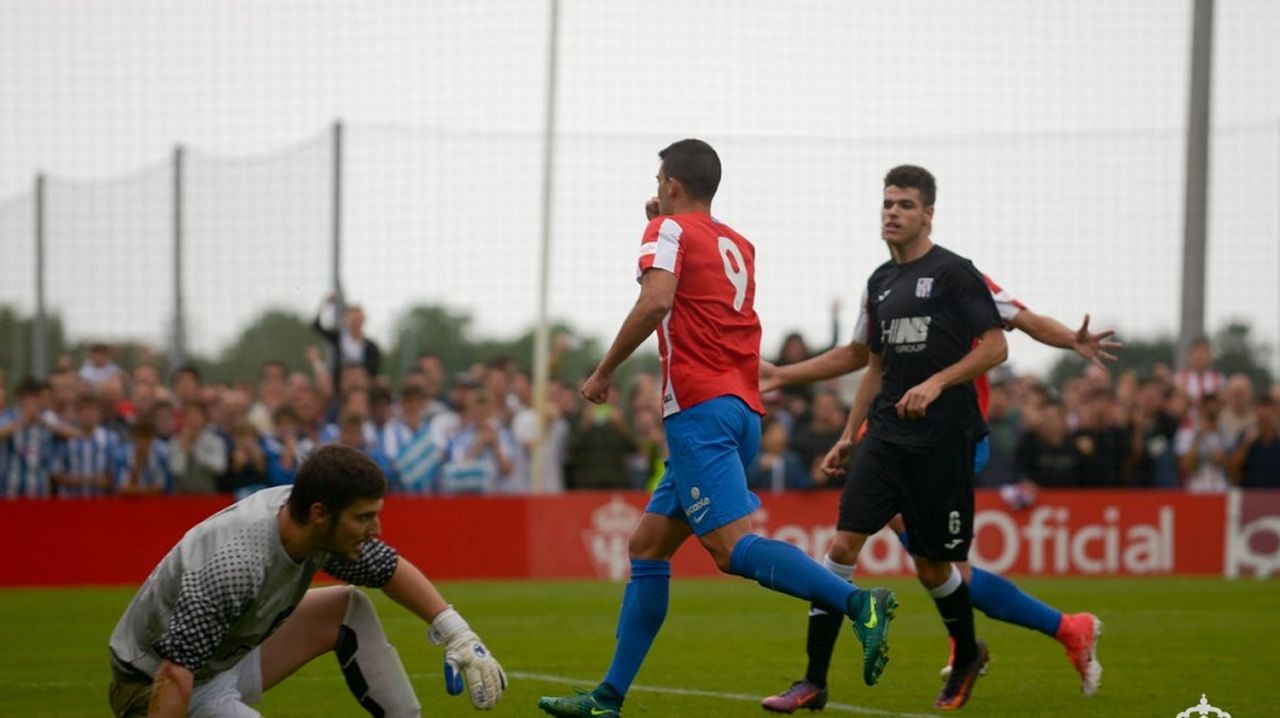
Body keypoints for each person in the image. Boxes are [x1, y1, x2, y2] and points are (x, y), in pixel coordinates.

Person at [538, 139, 896, 718]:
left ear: (672, 184)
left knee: (732, 551)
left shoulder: (667, 232)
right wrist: (663, 225)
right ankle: (607, 698)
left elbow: (657, 302)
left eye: (659, 181)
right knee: (647, 545)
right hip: (742, 407)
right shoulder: (737, 243)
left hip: (699, 410)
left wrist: (603, 371)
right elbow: (697, 290)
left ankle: (860, 604)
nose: (655, 190)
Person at [760, 167, 1116, 712]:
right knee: (862, 549)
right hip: (887, 434)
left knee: (940, 567)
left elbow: (1017, 322)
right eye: (887, 203)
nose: (892, 212)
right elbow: (867, 360)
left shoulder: (957, 275)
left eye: (905, 204)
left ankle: (1048, 631)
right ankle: (816, 679)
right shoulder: (880, 283)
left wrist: (1072, 340)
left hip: (950, 437)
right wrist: (826, 412)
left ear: (928, 214)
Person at [106, 444, 505, 717]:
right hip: (154, 684)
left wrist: (458, 634)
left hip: (222, 657)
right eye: (364, 518)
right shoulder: (236, 563)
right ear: (320, 514)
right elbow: (174, 675)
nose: (376, 530)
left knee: (347, 608)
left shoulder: (309, 521)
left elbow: (388, 568)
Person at [312, 292, 383, 385]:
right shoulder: (337, 338)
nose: (355, 323)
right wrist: (325, 302)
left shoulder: (371, 347)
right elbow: (316, 326)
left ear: (363, 321)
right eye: (352, 319)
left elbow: (374, 370)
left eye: (358, 320)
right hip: (339, 386)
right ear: (344, 320)